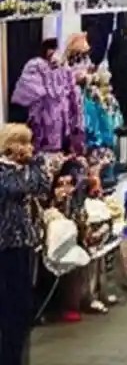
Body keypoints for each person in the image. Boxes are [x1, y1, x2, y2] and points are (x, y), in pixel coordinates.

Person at [0, 124, 48, 365]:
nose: (29, 148)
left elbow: (42, 187)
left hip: (24, 244)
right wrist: (26, 167)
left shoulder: (25, 169)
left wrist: (34, 164)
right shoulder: (4, 172)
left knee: (22, 307)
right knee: (8, 308)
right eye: (23, 143)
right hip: (5, 246)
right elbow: (14, 189)